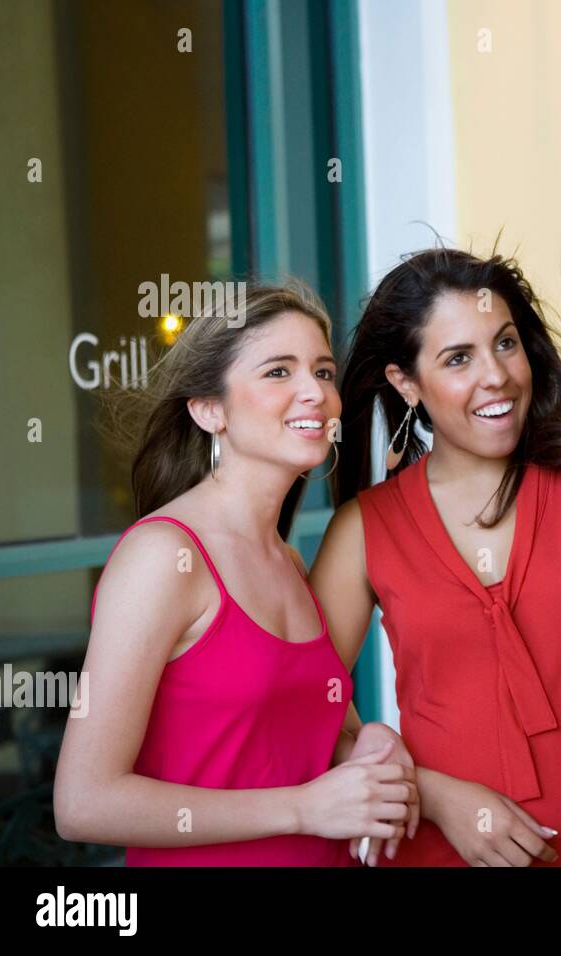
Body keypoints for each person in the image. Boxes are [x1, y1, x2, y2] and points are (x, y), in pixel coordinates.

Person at [312, 247, 561, 866]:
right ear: (406, 383)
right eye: (457, 359)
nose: (495, 375)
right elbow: (309, 711)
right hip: (439, 853)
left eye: (504, 344)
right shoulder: (366, 528)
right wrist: (436, 796)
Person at [54, 282, 418, 865]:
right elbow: (83, 802)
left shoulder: (289, 561)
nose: (314, 393)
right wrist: (302, 808)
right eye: (279, 372)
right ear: (209, 409)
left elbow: (308, 738)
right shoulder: (163, 558)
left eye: (324, 373)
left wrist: (366, 744)